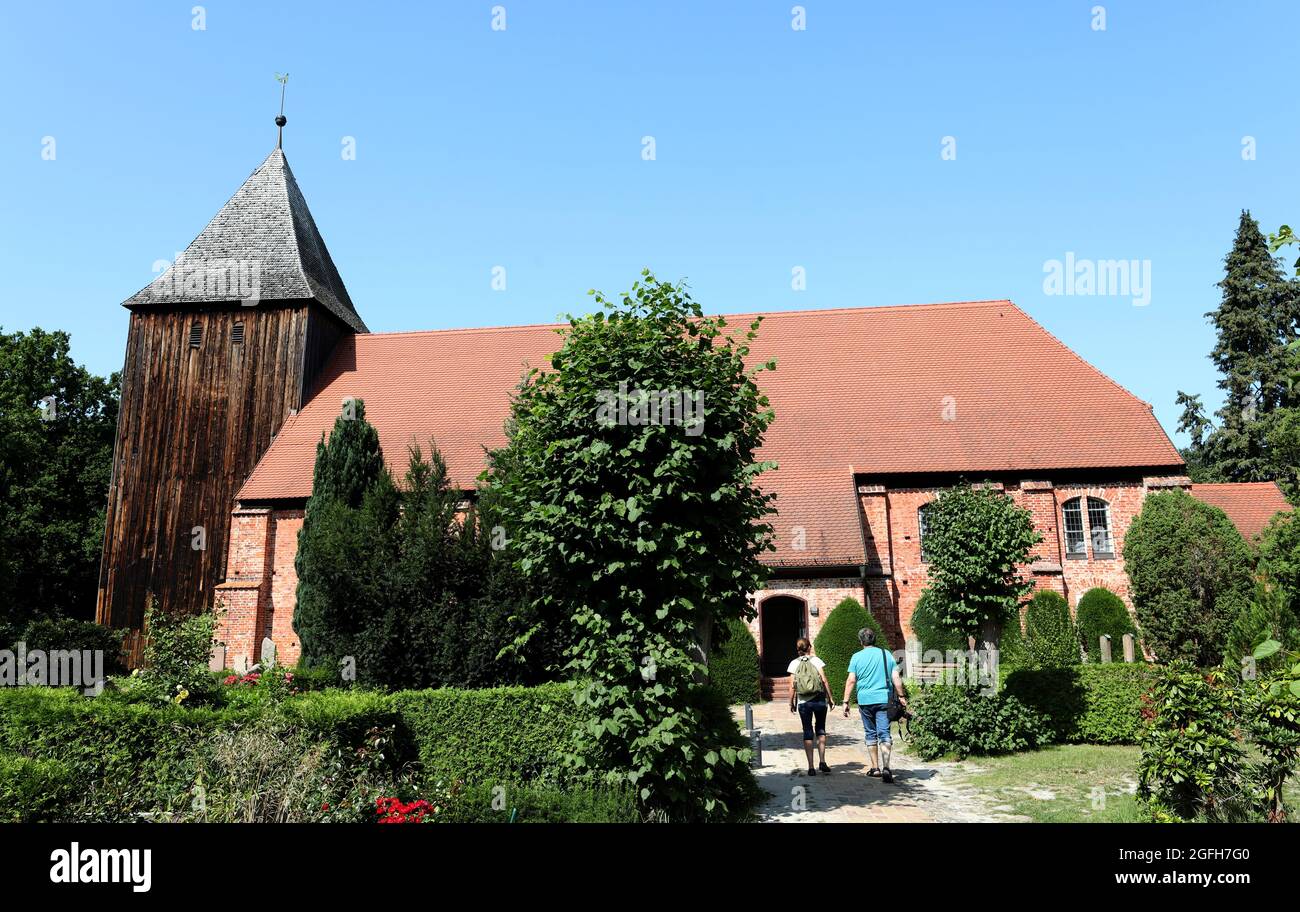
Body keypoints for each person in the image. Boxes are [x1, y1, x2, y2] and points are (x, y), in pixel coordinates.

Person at [842, 627, 907, 783]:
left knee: (870, 733)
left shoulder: (856, 657)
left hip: (865, 701)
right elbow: (895, 678)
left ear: (860, 641)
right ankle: (886, 767)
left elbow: (851, 680)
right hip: (884, 699)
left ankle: (875, 768)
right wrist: (901, 696)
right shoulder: (886, 655)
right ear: (875, 639)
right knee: (884, 733)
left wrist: (845, 701)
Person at [788, 638, 835, 776]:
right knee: (821, 729)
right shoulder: (816, 661)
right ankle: (822, 761)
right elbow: (824, 680)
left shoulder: (793, 664)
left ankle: (811, 767)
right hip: (820, 700)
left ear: (797, 649)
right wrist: (830, 698)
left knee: (807, 731)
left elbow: (792, 686)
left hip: (804, 703)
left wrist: (791, 702)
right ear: (810, 647)